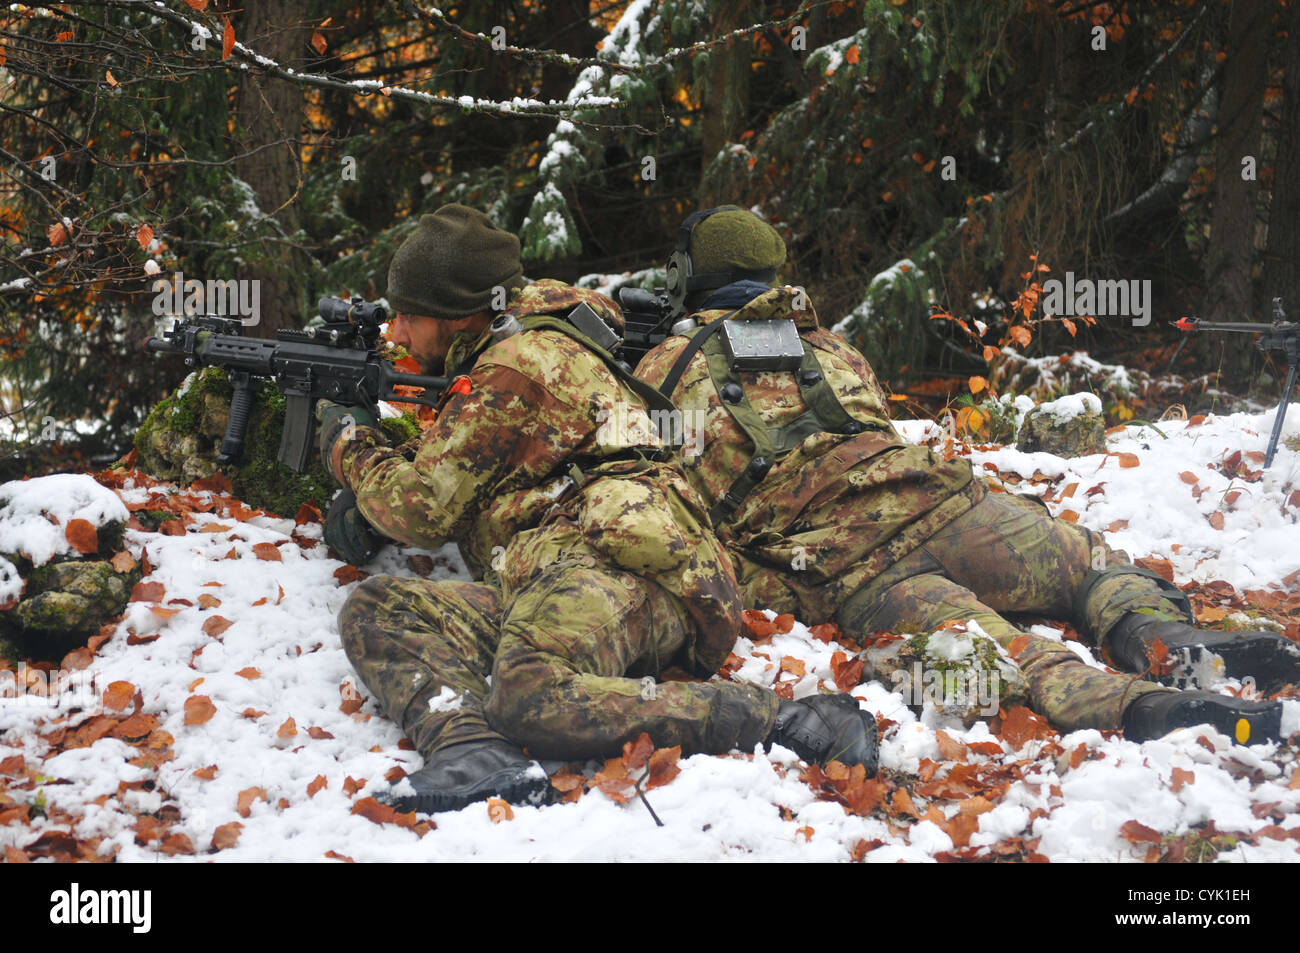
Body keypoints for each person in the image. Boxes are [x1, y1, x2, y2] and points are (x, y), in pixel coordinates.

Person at [633, 206, 1296, 743]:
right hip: (947, 504)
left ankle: (1147, 708)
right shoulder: (832, 348)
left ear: (689, 274)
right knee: (1089, 563)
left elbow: (648, 489)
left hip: (856, 569)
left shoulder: (668, 364)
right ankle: (1164, 637)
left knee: (1001, 663)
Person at [317, 204, 878, 814]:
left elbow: (419, 513)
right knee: (378, 608)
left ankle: (789, 720)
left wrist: (349, 445)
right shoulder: (527, 344)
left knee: (526, 691)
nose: (395, 334)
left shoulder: (520, 361)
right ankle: (472, 750)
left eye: (408, 316)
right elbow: (461, 469)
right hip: (555, 574)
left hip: (634, 569)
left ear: (458, 315)